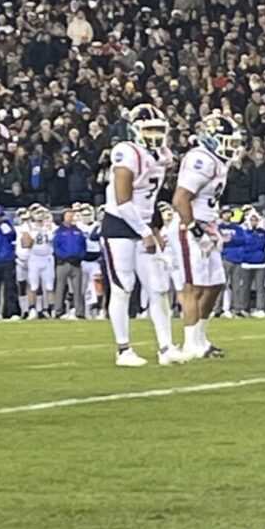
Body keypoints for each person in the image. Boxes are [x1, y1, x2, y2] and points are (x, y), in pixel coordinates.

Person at [103, 103, 174, 367]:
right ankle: (123, 350)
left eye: (159, 129)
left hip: (143, 223)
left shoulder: (160, 155)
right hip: (120, 226)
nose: (155, 134)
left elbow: (150, 199)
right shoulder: (126, 151)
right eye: (149, 129)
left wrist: (155, 229)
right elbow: (123, 201)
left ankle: (166, 347)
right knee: (123, 288)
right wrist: (146, 231)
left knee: (157, 287)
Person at [168, 112, 241, 363]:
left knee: (216, 283)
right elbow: (180, 198)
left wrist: (212, 228)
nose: (230, 147)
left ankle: (200, 337)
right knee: (193, 287)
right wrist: (196, 231)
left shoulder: (218, 160)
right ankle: (190, 343)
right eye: (226, 140)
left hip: (206, 223)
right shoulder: (201, 158)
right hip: (190, 226)